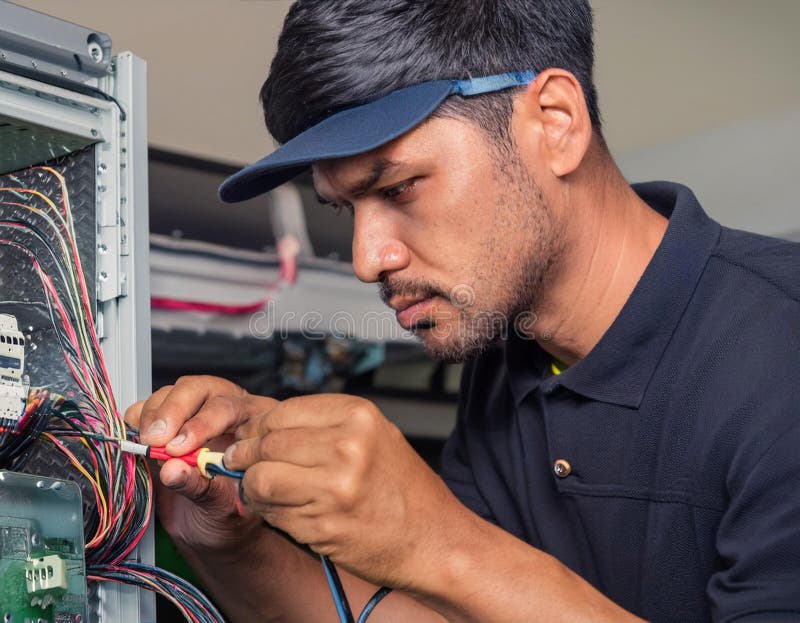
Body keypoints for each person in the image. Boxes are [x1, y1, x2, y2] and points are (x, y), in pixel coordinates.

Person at [126, 1, 800, 621]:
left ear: (555, 124)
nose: (368, 259)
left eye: (397, 186)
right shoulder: (508, 356)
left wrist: (438, 538)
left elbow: (463, 567)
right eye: (343, 208)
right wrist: (234, 539)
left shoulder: (779, 350)